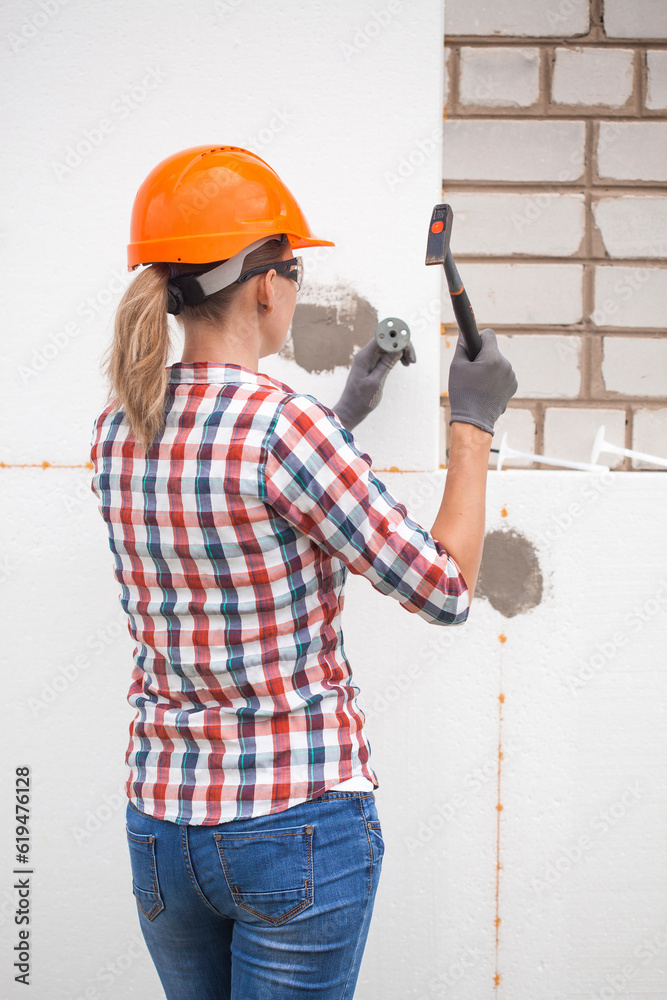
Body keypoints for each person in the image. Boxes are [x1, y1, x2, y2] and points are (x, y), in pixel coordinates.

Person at [90, 144, 517, 1000]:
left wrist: (344, 414)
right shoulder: (285, 432)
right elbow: (443, 589)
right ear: (262, 286)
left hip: (162, 832)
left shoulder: (119, 425)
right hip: (292, 827)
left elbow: (240, 502)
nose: (293, 285)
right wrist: (472, 425)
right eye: (291, 268)